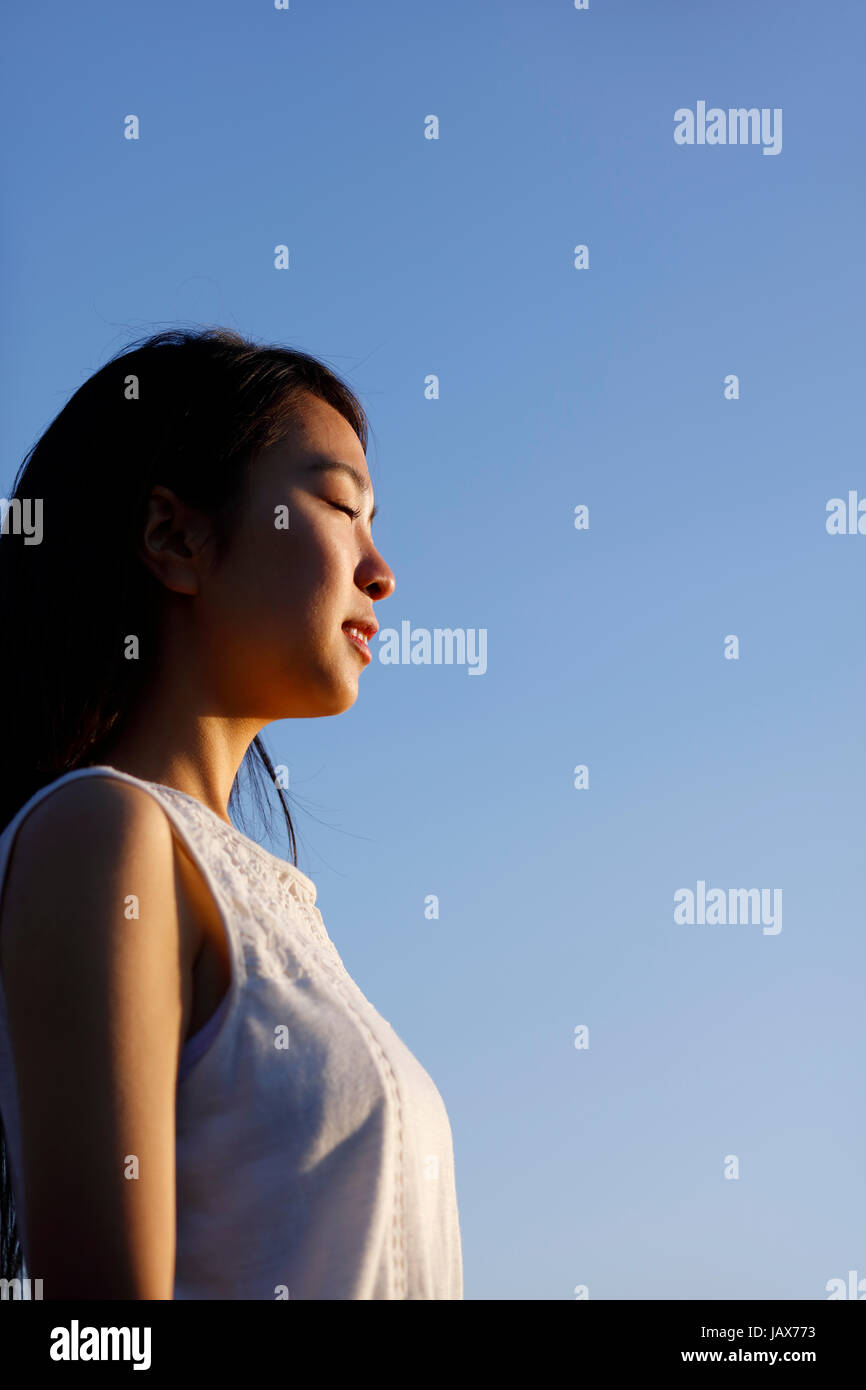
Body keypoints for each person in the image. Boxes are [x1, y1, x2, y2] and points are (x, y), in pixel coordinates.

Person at [0, 327, 463, 1299]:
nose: (381, 571)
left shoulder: (269, 897)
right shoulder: (104, 835)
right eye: (340, 504)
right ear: (175, 538)